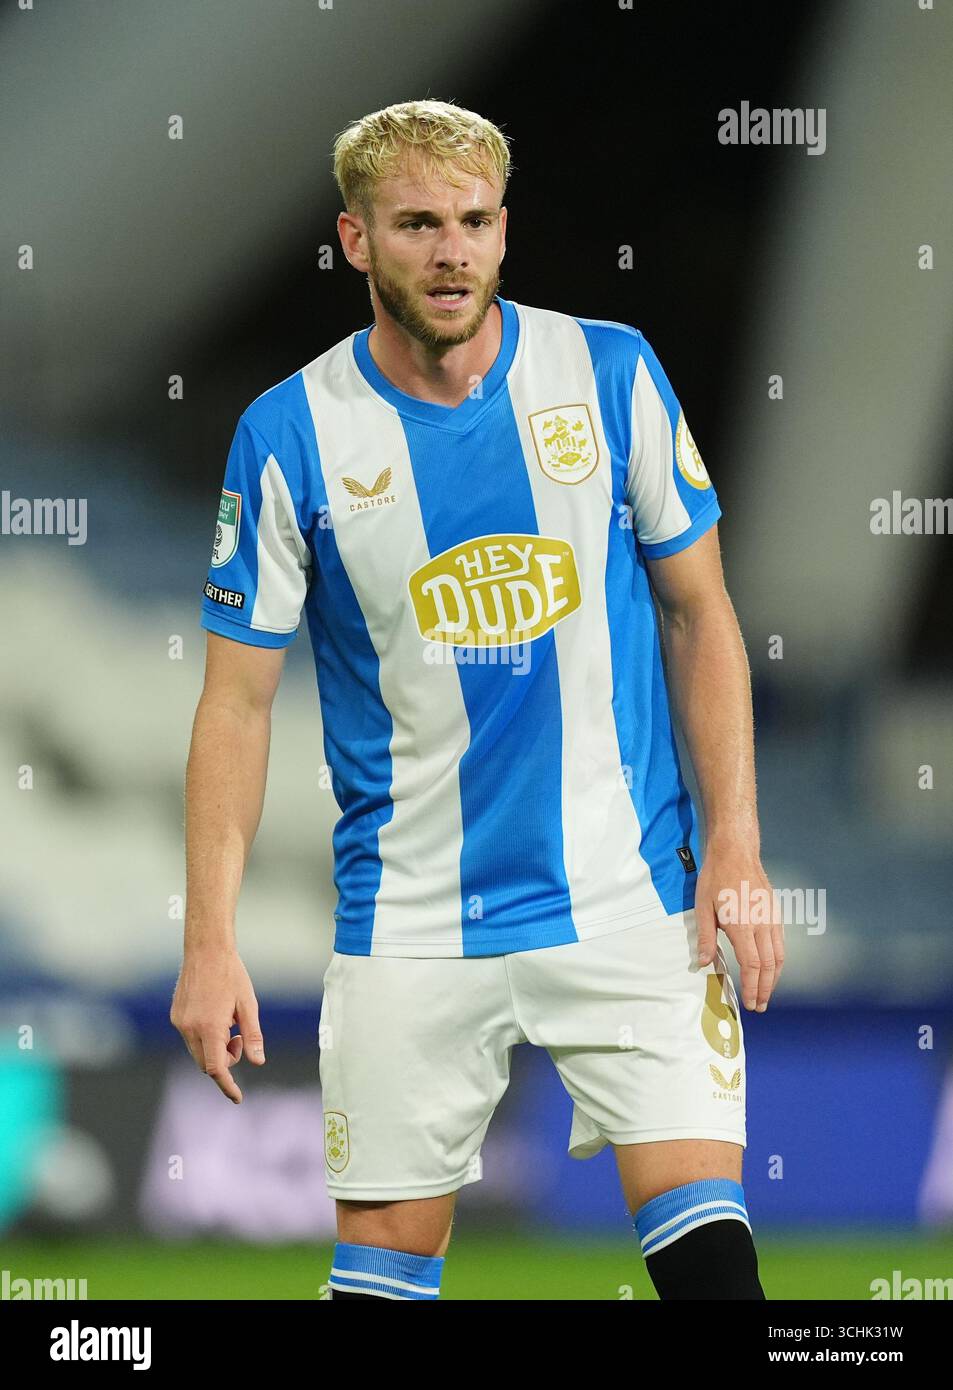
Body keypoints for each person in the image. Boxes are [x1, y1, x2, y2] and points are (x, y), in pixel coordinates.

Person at [172, 98, 783, 1301]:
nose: (451, 252)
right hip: (407, 920)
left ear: (504, 231)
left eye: (474, 222)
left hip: (628, 895)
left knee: (714, 1269)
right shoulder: (289, 433)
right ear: (354, 241)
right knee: (382, 1282)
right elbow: (237, 704)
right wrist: (208, 938)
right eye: (415, 225)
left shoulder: (608, 372)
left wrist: (737, 848)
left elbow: (698, 612)